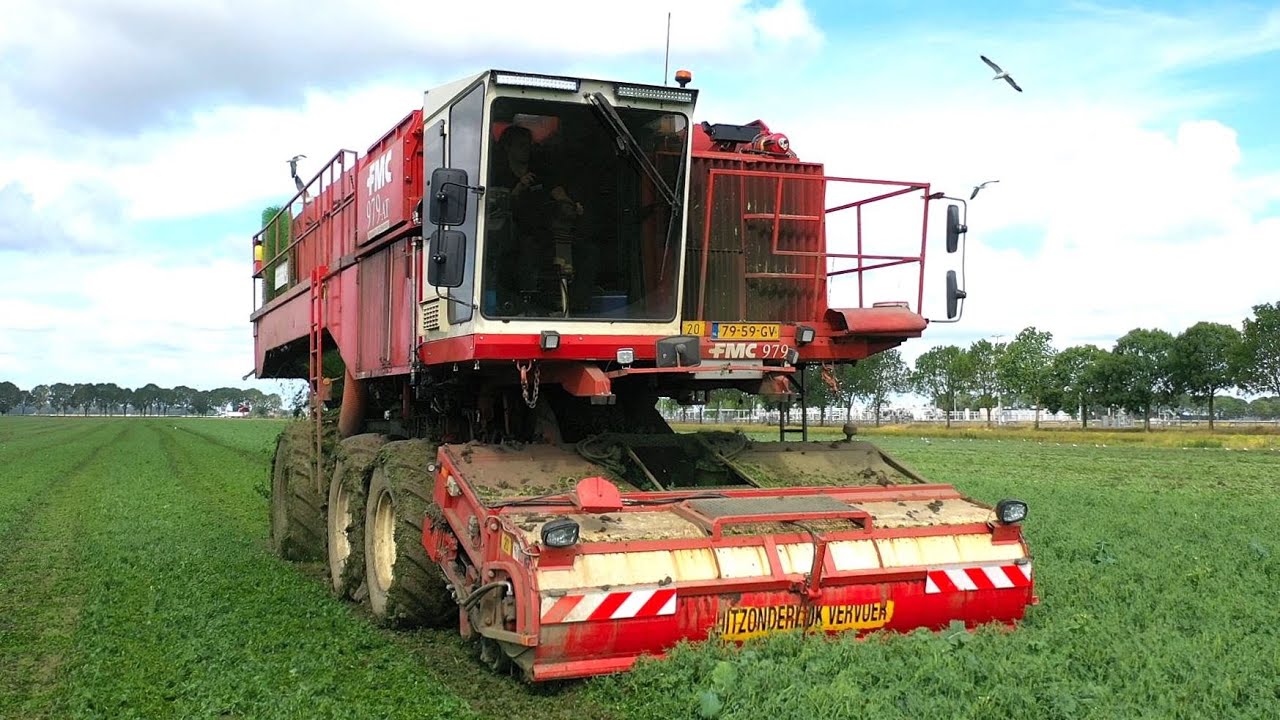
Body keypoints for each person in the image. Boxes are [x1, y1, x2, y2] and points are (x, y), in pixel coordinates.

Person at [486, 124, 592, 314]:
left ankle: (578, 302)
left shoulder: (540, 170)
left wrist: (572, 206)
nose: (525, 149)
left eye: (527, 145)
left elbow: (558, 193)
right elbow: (498, 207)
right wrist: (519, 187)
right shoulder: (496, 173)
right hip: (510, 233)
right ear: (507, 147)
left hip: (545, 231)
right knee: (524, 250)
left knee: (585, 249)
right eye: (520, 145)